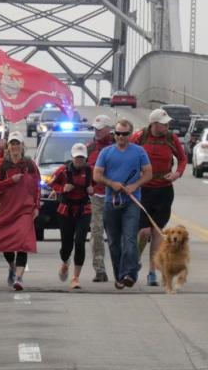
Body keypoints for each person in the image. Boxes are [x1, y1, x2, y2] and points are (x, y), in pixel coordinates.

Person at [92, 118, 152, 289]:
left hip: (131, 202)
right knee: (113, 242)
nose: (121, 137)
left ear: (130, 134)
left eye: (125, 134)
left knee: (130, 239)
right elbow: (97, 175)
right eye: (118, 133)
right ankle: (120, 275)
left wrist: (134, 185)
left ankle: (129, 274)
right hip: (111, 201)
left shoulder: (139, 152)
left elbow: (148, 173)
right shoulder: (106, 152)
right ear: (114, 134)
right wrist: (112, 184)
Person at [132, 108, 188, 286]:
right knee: (143, 232)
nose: (167, 126)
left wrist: (177, 173)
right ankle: (135, 261)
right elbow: (128, 153)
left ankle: (152, 272)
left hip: (163, 190)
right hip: (143, 189)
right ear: (154, 124)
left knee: (157, 232)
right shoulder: (139, 137)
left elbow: (183, 158)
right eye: (163, 124)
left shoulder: (171, 138)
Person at [0, 131, 41, 291]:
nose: (15, 146)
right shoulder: (1, 165)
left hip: (24, 210)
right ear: (8, 146)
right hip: (7, 209)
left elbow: (37, 187)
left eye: (17, 143)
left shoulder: (30, 165)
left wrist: (36, 207)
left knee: (23, 243)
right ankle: (12, 266)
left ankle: (19, 278)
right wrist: (10, 181)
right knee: (7, 244)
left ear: (22, 146)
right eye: (12, 143)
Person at [50, 142, 93, 290]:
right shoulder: (63, 170)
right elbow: (50, 183)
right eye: (77, 158)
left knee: (80, 241)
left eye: (82, 158)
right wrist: (62, 188)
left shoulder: (90, 171)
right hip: (66, 210)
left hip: (83, 209)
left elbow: (100, 183)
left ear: (86, 158)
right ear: (72, 157)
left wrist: (92, 189)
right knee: (66, 244)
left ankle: (75, 277)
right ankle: (65, 262)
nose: (79, 160)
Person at [85, 114, 114, 282]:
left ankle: (121, 268)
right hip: (96, 197)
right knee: (96, 233)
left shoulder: (119, 147)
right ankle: (99, 269)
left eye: (100, 127)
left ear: (109, 129)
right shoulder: (90, 148)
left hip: (116, 197)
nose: (96, 130)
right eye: (95, 127)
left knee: (116, 235)